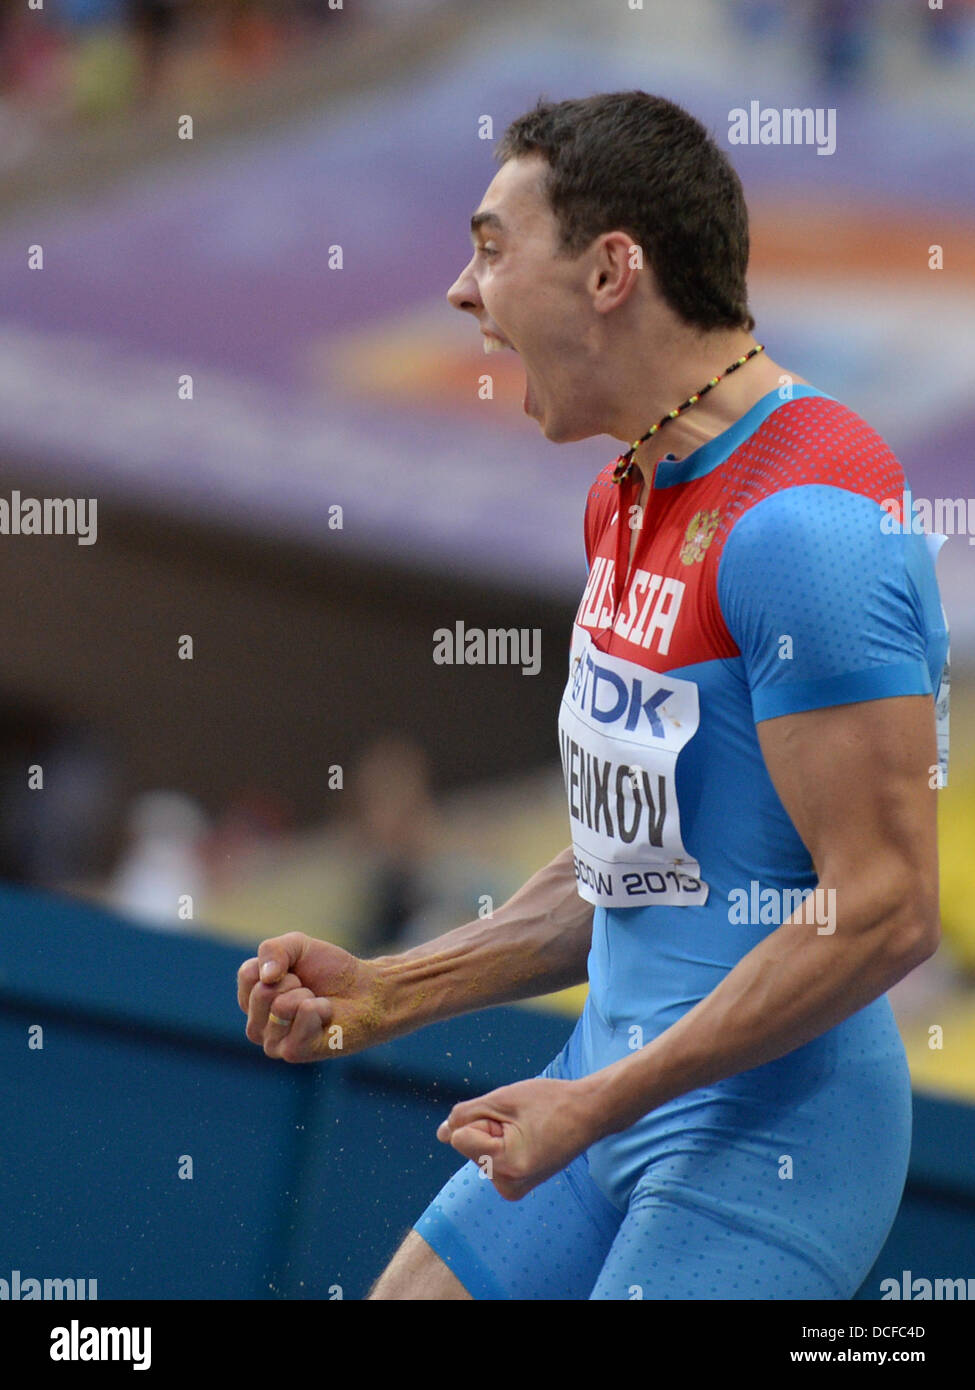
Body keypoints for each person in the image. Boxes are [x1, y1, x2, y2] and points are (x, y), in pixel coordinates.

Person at [237, 91, 949, 1300]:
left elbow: (885, 909)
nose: (463, 292)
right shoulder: (624, 493)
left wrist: (602, 1101)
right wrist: (387, 991)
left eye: (492, 248)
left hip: (767, 1142)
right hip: (604, 1089)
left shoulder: (806, 527)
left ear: (613, 270)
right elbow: (632, 865)